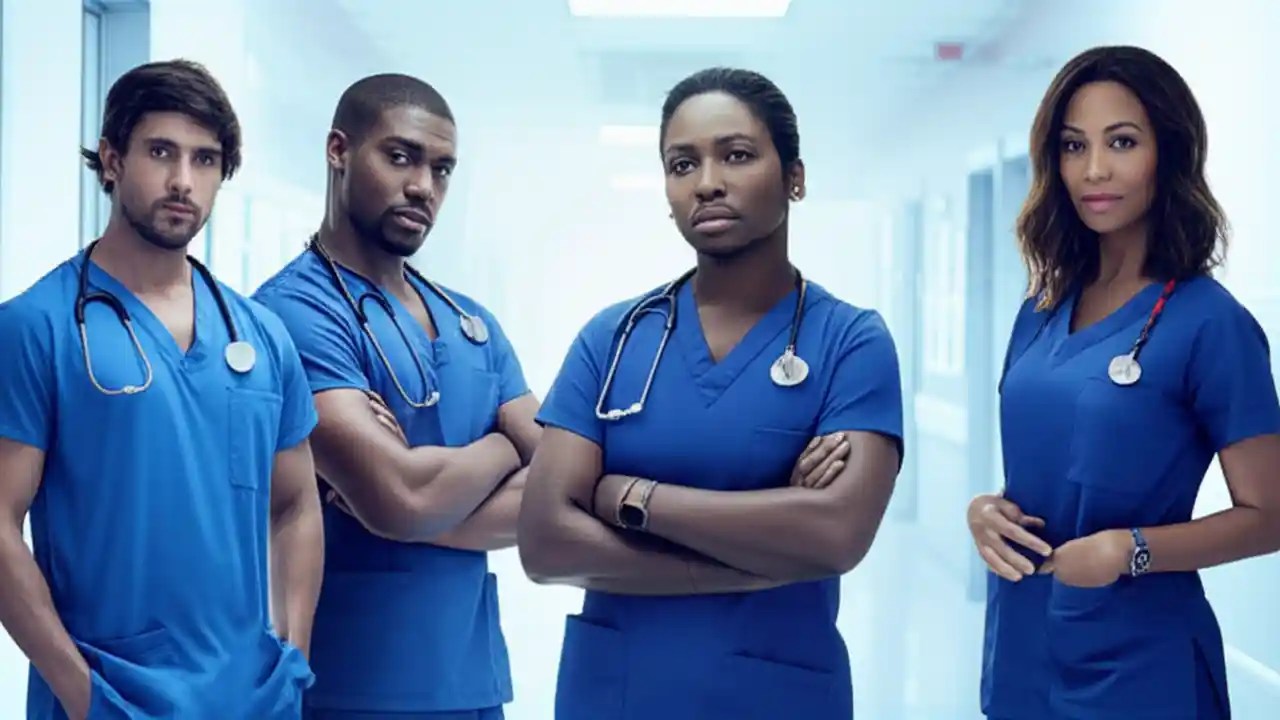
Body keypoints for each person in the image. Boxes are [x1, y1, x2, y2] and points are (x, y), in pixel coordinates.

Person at [517, 66, 903, 720]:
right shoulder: (612, 340)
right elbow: (545, 542)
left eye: (737, 155)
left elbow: (836, 534)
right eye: (682, 163)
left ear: (795, 178)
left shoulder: (851, 342)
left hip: (775, 694)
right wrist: (751, 552)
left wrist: (632, 498)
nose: (708, 182)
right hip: (616, 695)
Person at [0, 59, 324, 719]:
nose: (183, 181)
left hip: (252, 702)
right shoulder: (38, 326)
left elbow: (295, 506)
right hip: (111, 699)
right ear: (112, 160)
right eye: (161, 152)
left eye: (205, 160)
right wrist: (84, 696)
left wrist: (289, 661)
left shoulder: (262, 336)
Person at [969, 45, 1280, 720]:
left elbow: (1270, 515)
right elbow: (1047, 466)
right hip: (1023, 651)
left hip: (1143, 668)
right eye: (1074, 146)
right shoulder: (1041, 311)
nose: (1095, 170)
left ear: (1168, 153)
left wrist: (1130, 550)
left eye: (1122, 142)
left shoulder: (1211, 324)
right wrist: (986, 512)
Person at [252, 74, 538, 720]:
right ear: (338, 150)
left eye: (441, 170)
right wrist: (501, 446)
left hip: (472, 688)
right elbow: (403, 496)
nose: (423, 187)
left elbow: (555, 484)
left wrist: (406, 503)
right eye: (401, 156)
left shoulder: (471, 323)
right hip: (353, 687)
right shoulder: (292, 315)